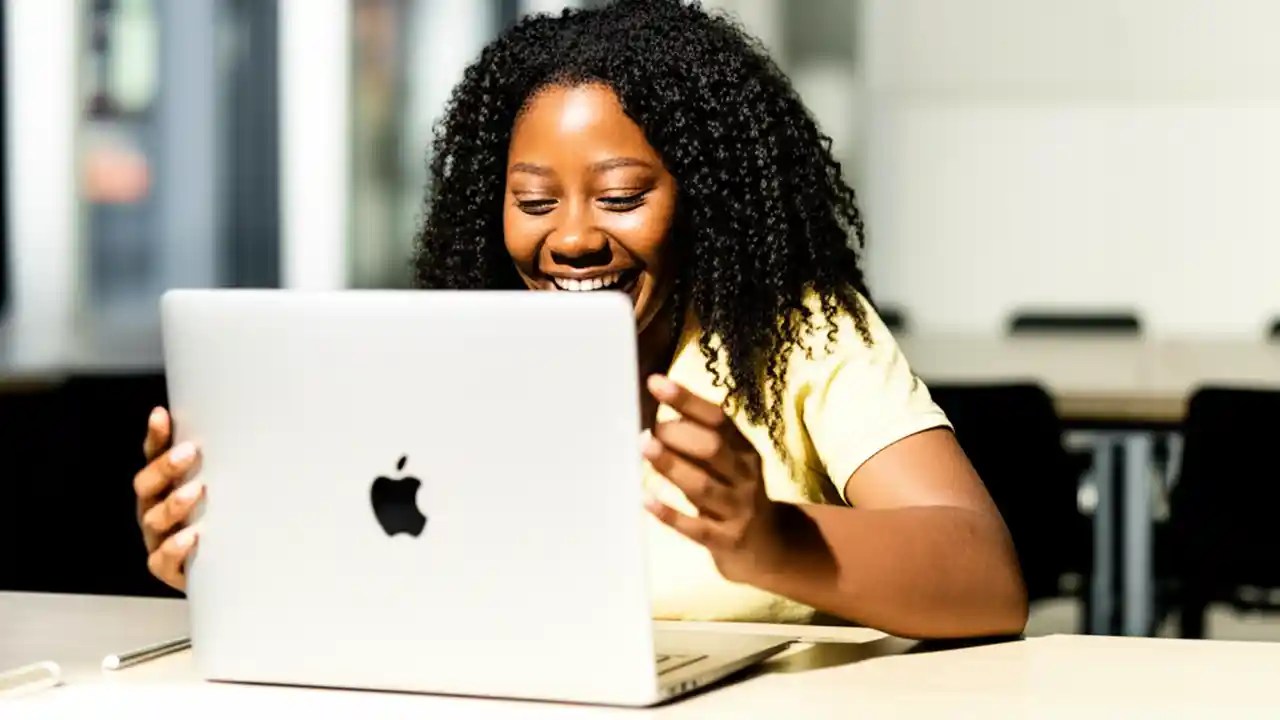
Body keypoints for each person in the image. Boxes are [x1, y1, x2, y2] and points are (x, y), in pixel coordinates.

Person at [135, 0, 1027, 639]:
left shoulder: (798, 333)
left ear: (705, 199)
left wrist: (767, 537)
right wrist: (231, 558)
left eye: (621, 196)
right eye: (531, 200)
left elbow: (985, 577)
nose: (570, 238)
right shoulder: (455, 354)